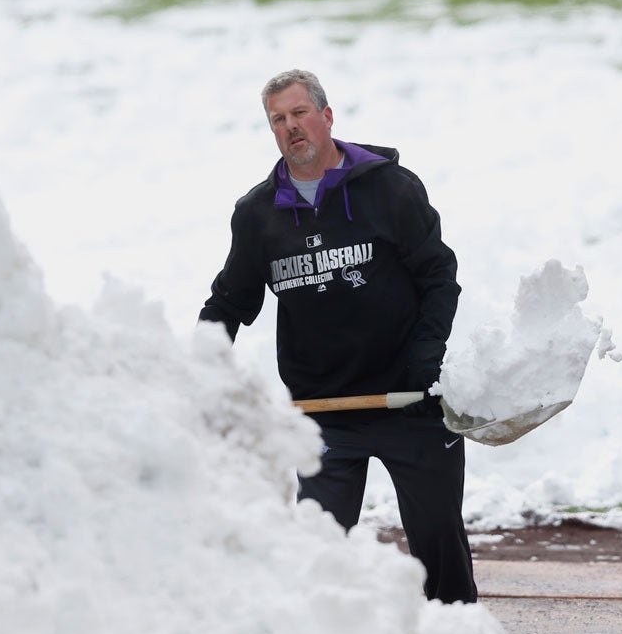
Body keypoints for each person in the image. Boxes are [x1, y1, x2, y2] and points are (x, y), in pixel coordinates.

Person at [199, 69, 476, 603]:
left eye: (299, 113)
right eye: (277, 119)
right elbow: (230, 301)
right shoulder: (258, 214)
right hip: (323, 411)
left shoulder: (391, 189)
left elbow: (439, 277)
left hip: (411, 403)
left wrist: (426, 355)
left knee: (439, 548)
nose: (290, 127)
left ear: (326, 116)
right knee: (316, 554)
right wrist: (196, 368)